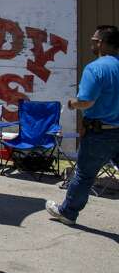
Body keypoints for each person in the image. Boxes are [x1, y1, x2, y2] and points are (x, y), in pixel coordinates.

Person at [46, 25, 119, 226]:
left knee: (85, 175)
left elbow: (86, 101)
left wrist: (72, 104)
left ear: (102, 43)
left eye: (94, 40)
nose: (92, 43)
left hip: (99, 133)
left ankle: (68, 212)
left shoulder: (95, 68)